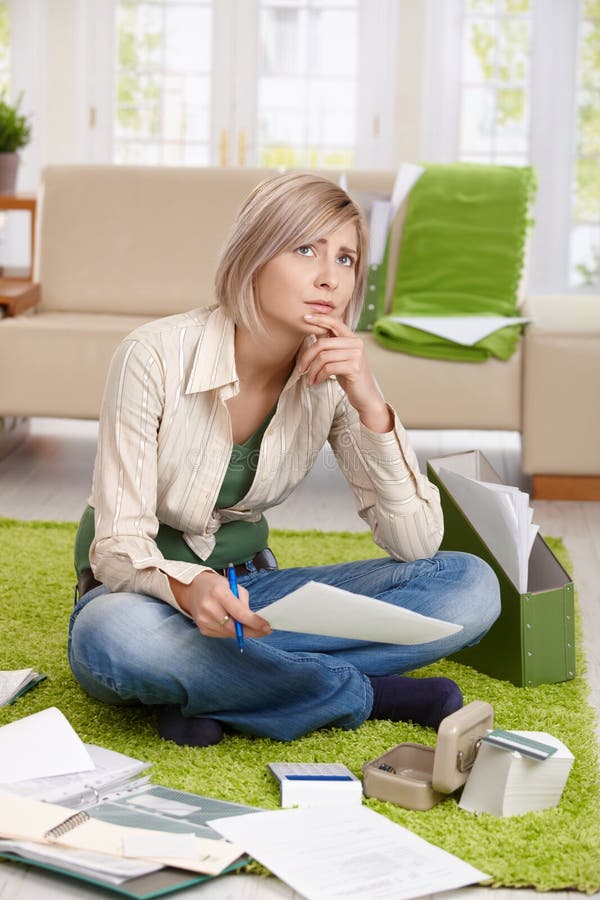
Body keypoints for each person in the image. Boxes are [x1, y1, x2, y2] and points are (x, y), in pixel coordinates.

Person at [69, 172, 500, 748]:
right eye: (306, 250)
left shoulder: (331, 378)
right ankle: (363, 694)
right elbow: (117, 545)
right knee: (112, 637)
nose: (330, 278)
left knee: (470, 586)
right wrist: (189, 591)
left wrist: (370, 401)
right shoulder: (152, 357)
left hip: (258, 599)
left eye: (346, 259)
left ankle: (214, 685)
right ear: (253, 254)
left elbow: (417, 543)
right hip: (144, 595)